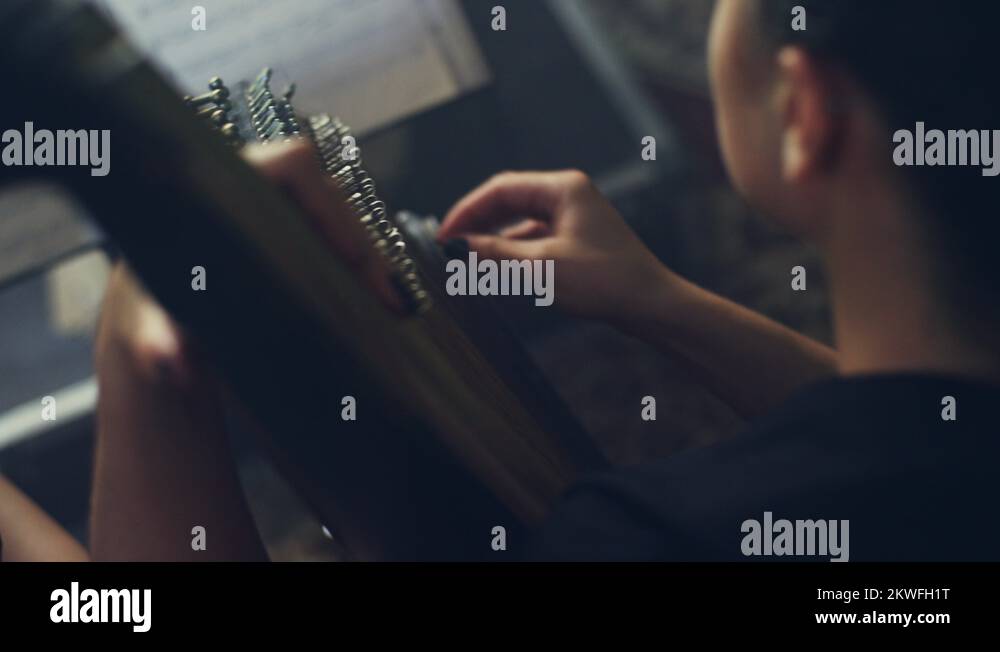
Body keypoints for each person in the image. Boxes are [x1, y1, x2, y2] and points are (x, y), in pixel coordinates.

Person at [84, 0, 1000, 560]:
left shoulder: (642, 538)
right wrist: (667, 305)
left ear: (805, 113)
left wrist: (142, 376)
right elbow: (916, 447)